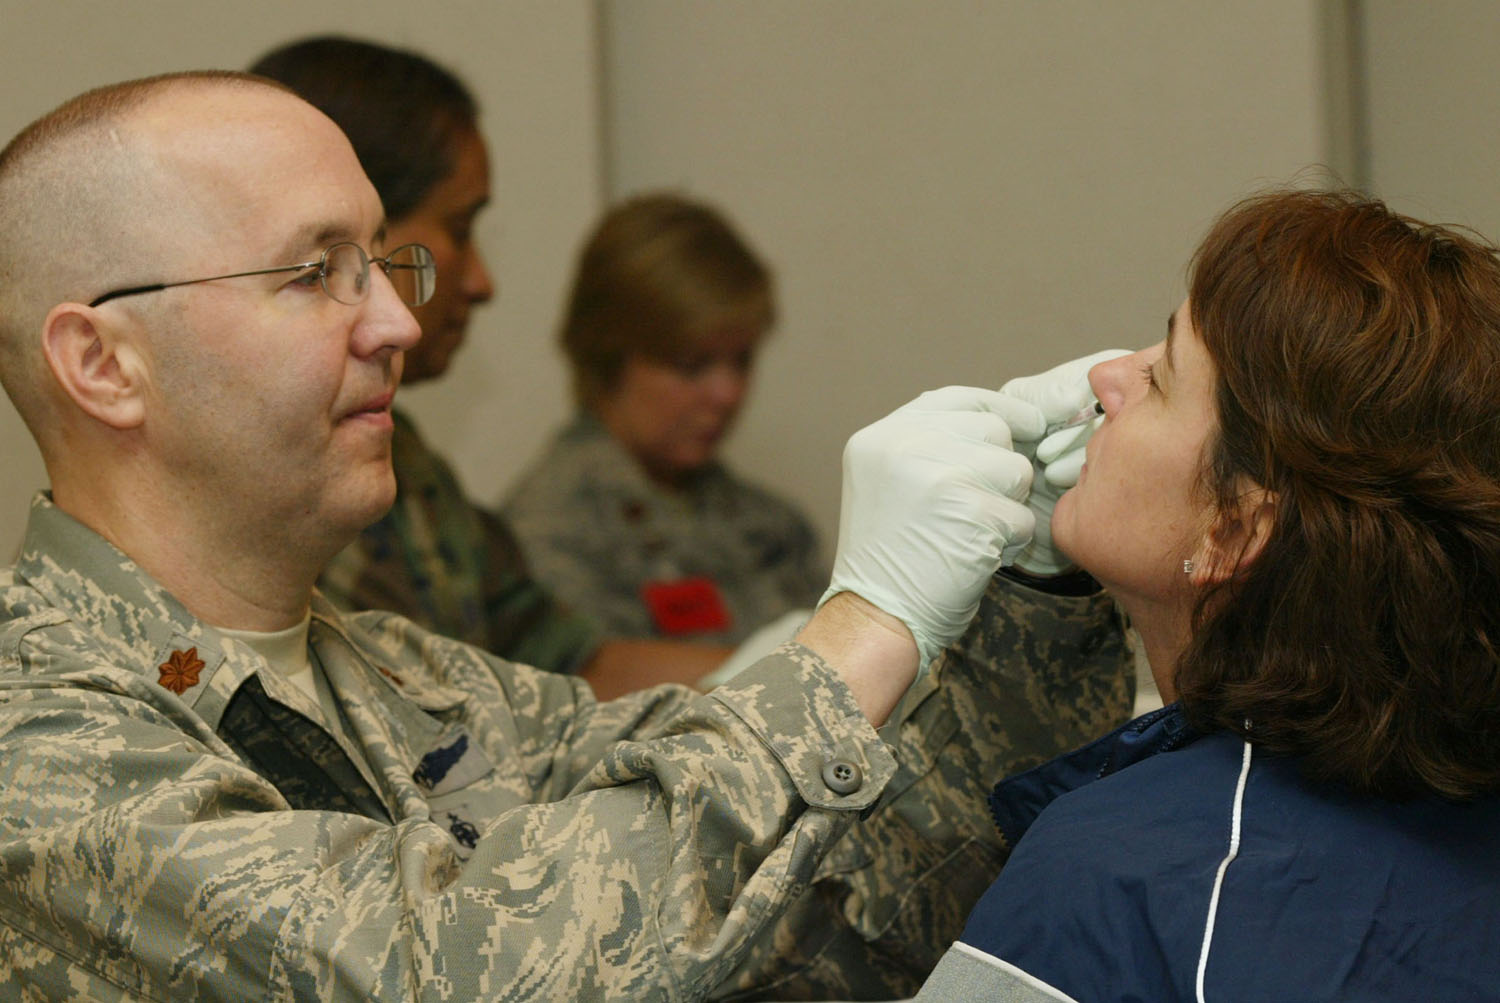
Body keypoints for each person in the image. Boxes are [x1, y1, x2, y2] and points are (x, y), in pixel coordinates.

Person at [0, 71, 1133, 1000]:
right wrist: (865, 629)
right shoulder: (37, 735)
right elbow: (442, 970)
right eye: (315, 274)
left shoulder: (416, 685)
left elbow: (805, 913)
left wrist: (1034, 591)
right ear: (103, 364)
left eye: (387, 265)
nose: (397, 322)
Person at [916, 189, 1500, 1001]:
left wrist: (861, 626)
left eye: (1160, 376)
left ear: (1233, 532)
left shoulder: (1114, 876)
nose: (1105, 377)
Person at [250, 36, 731, 699]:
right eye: (461, 226)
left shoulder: (412, 467)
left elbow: (570, 664)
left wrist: (829, 667)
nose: (481, 282)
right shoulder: (268, 492)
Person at [503, 192, 825, 646]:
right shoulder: (545, 537)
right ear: (609, 356)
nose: (728, 393)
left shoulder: (774, 528)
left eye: (742, 360)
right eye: (691, 364)